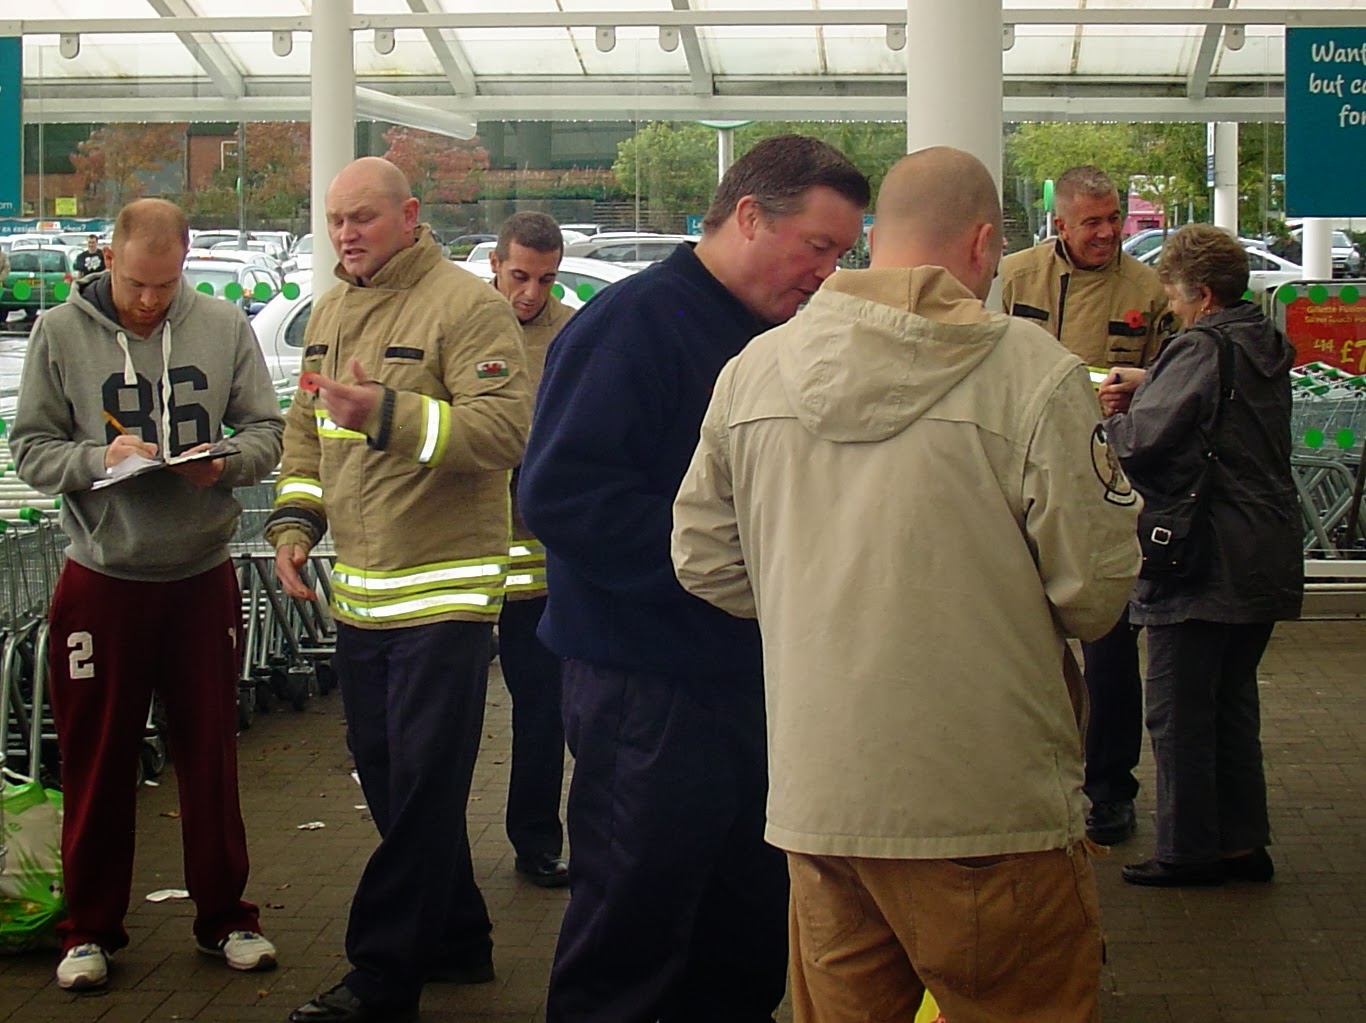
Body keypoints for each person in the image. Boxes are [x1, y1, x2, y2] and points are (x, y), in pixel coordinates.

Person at [671, 146, 1141, 1023]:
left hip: (819, 804)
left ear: (877, 237)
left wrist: (813, 604)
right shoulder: (1033, 375)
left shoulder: (754, 370)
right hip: (989, 807)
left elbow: (701, 557)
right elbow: (1095, 591)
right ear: (982, 243)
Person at [519, 134, 870, 1023]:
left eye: (841, 254)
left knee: (743, 926)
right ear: (750, 215)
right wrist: (732, 564)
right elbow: (560, 494)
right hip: (650, 687)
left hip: (752, 680)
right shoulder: (634, 324)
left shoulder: (779, 334)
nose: (828, 273)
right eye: (819, 247)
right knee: (635, 930)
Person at [268, 157, 531, 1023]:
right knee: (390, 785)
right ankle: (459, 939)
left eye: (363, 217)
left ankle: (382, 978)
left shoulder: (467, 304)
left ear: (410, 216)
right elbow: (304, 437)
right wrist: (295, 527)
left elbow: (503, 432)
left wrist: (386, 413)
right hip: (362, 595)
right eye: (335, 219)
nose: (345, 233)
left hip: (445, 596)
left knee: (422, 792)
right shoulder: (333, 308)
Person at [10, 197, 284, 992]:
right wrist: (101, 459)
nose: (149, 301)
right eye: (136, 284)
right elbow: (30, 447)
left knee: (211, 754)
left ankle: (227, 915)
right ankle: (88, 929)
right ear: (109, 257)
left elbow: (265, 431)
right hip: (103, 577)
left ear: (185, 262)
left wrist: (222, 462)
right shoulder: (60, 333)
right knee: (97, 759)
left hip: (200, 575)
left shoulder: (223, 325)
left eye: (166, 286)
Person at [1099, 224, 1303, 887]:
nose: (1169, 303)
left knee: (1179, 709)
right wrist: (1152, 377)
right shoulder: (1263, 341)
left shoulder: (1199, 347)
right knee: (1232, 703)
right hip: (1264, 546)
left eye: (1174, 290)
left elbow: (1144, 441)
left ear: (1203, 294)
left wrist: (1106, 420)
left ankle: (1188, 849)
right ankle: (1244, 842)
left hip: (1202, 555)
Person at [998, 164, 1173, 848]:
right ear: (1060, 223)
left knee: (1107, 643)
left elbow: (1176, 375)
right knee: (1018, 636)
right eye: (1092, 221)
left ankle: (1110, 790)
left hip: (1109, 478)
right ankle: (1023, 782)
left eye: (1114, 218)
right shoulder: (1016, 275)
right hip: (1021, 475)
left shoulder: (1148, 288)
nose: (1106, 232)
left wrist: (1141, 388)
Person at [487, 211, 575, 887]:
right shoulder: (463, 321)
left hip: (537, 564)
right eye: (519, 275)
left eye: (545, 278)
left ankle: (537, 842)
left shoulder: (572, 331)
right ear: (495, 264)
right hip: (462, 552)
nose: (530, 292)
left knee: (542, 708)